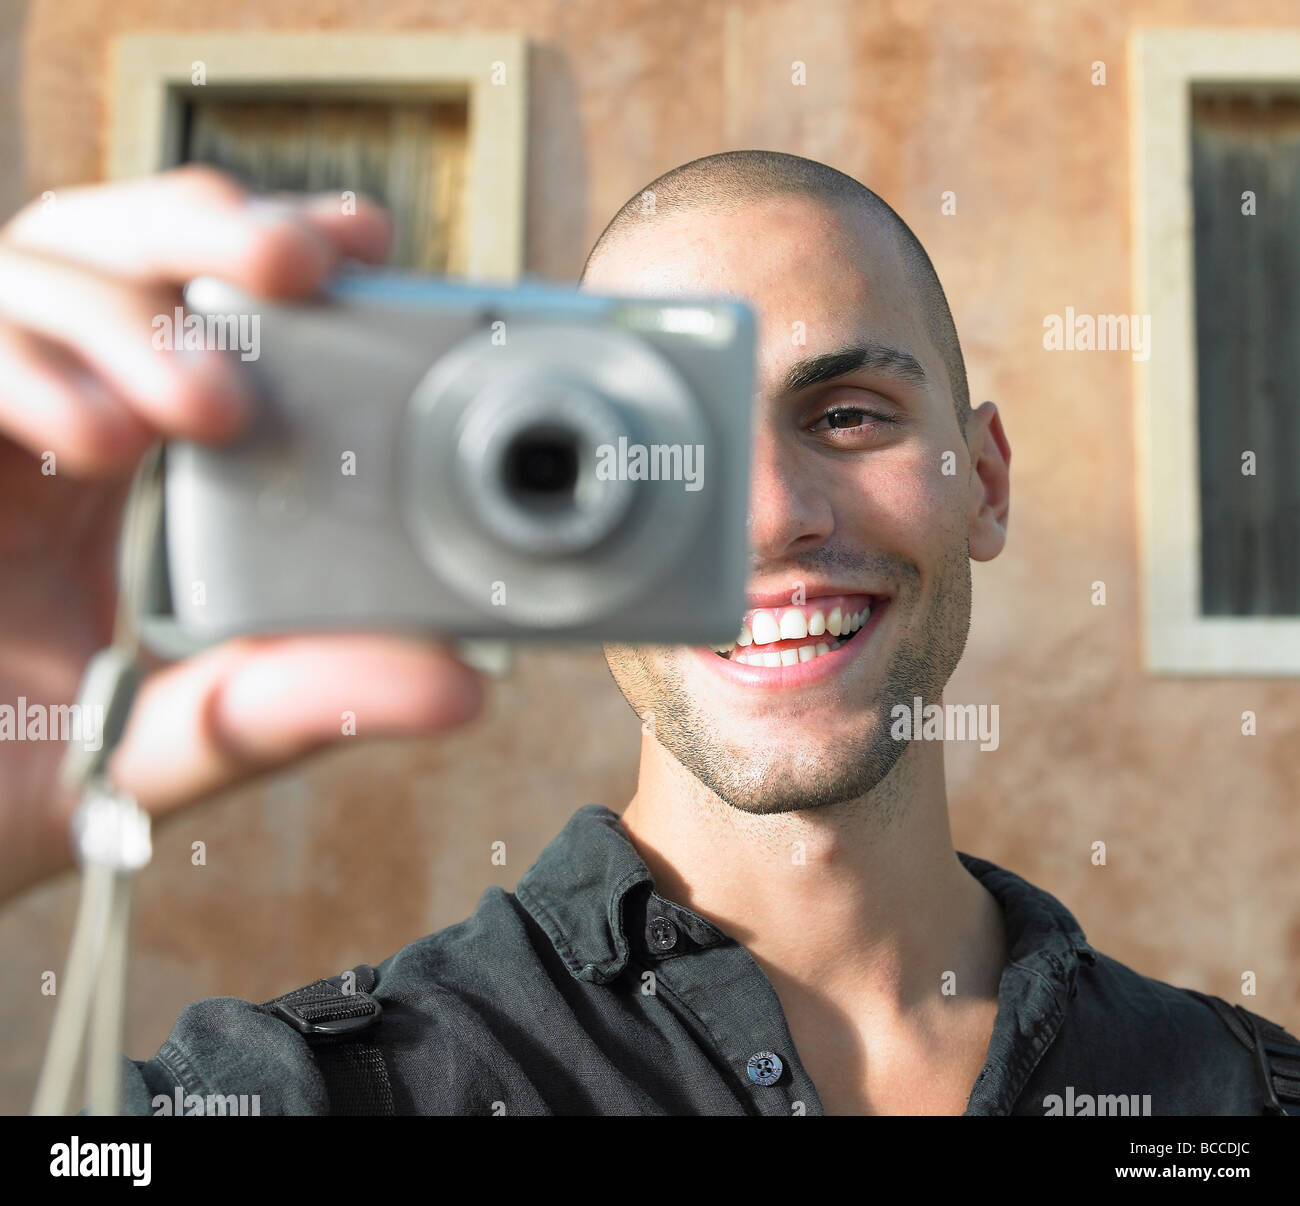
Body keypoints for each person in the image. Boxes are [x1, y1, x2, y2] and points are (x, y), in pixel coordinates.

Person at [2, 154, 1296, 1116]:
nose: (774, 514)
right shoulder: (335, 1094)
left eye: (848, 414)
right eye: (660, 443)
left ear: (988, 480)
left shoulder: (1245, 1101)